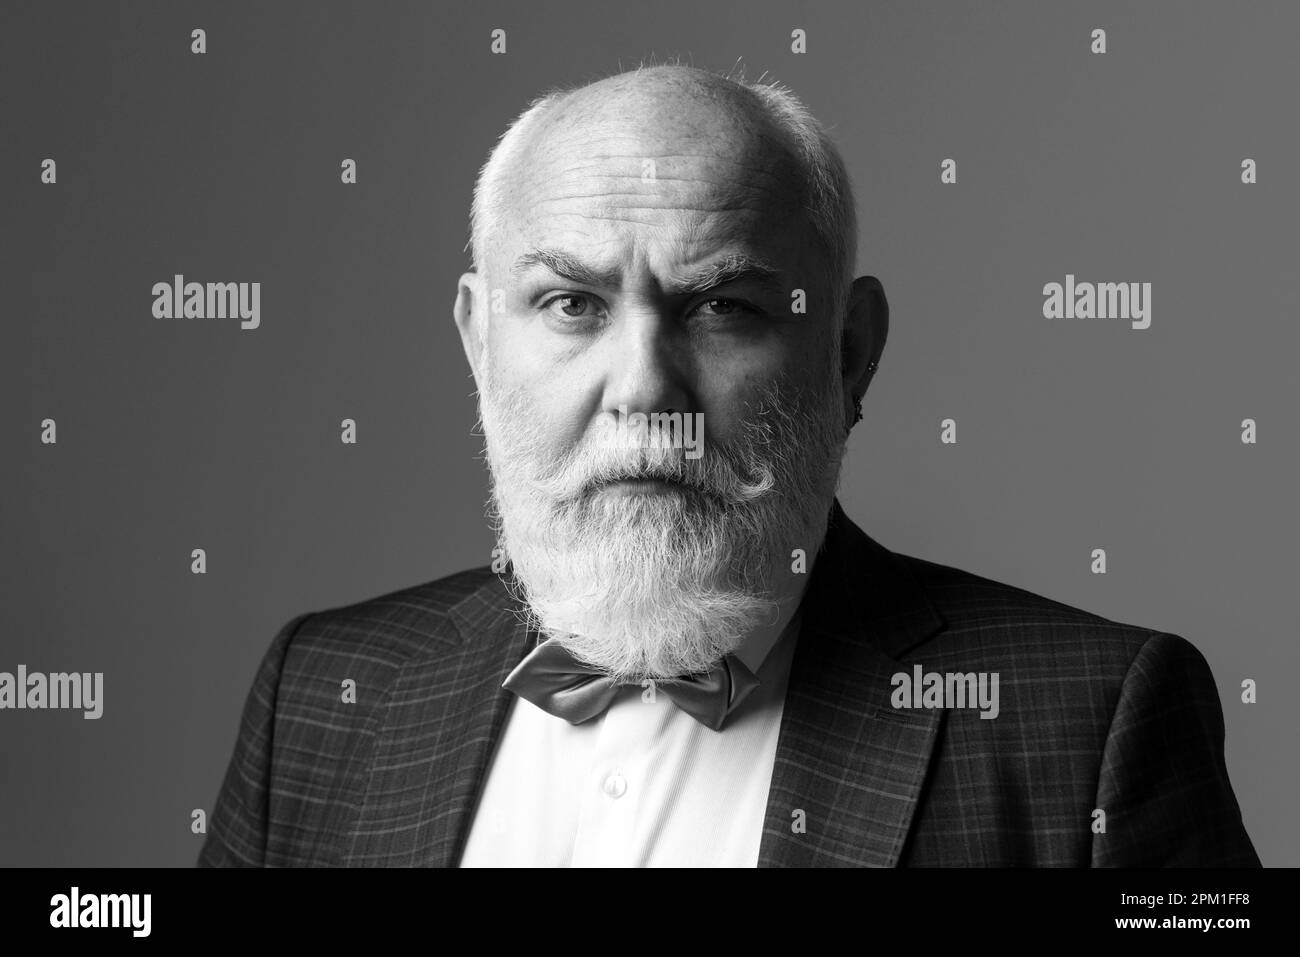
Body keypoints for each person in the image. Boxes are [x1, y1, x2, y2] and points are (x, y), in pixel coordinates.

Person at [198, 64, 1259, 867]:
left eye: (722, 309)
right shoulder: (321, 698)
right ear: (480, 345)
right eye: (572, 305)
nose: (642, 389)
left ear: (848, 355)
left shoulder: (1095, 722)